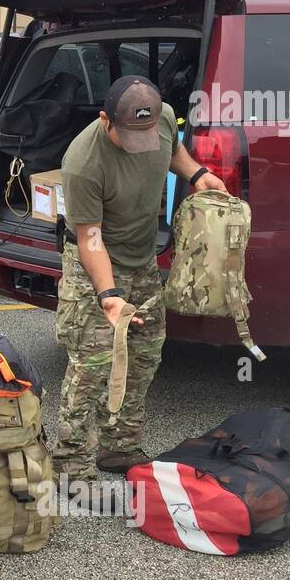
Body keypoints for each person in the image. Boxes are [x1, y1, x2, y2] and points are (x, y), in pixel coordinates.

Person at [55, 75, 227, 480]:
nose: (140, 144)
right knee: (92, 367)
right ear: (105, 121)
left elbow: (174, 152)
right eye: (130, 136)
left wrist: (198, 174)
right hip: (94, 267)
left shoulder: (163, 119)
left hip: (142, 259)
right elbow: (89, 237)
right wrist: (108, 295)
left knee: (144, 356)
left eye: (145, 135)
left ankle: (119, 448)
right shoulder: (83, 162)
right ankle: (71, 466)